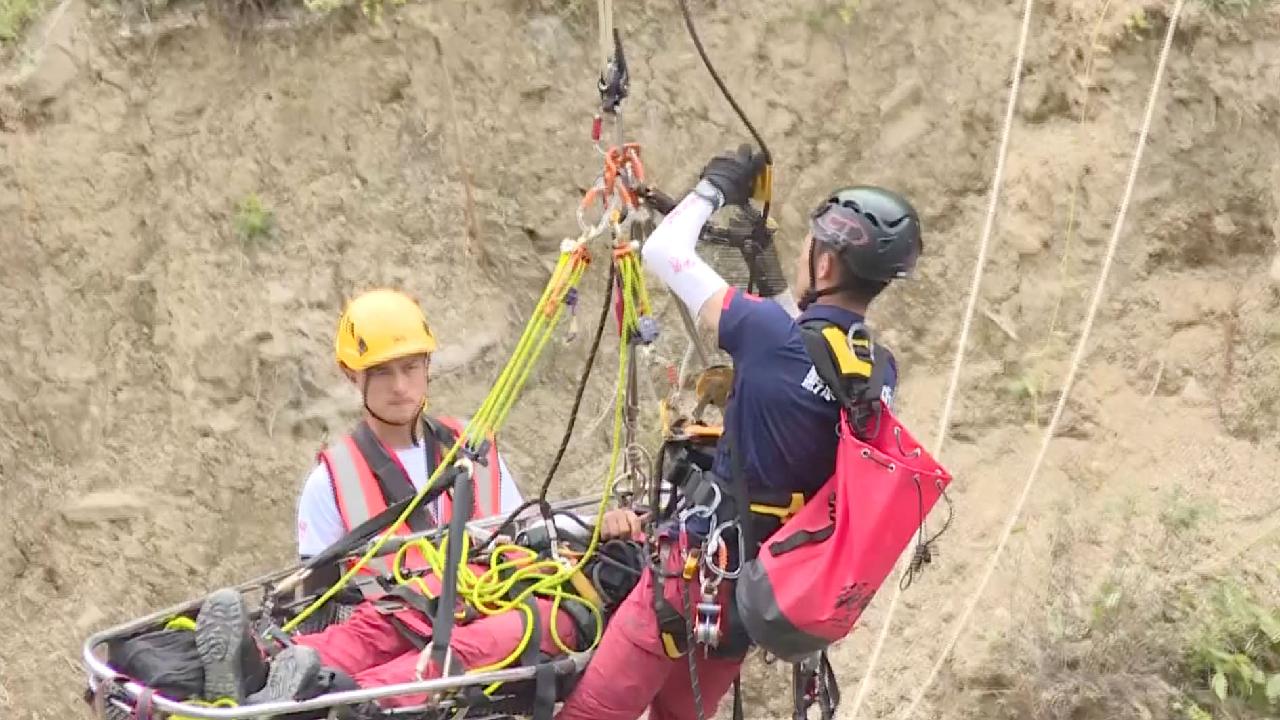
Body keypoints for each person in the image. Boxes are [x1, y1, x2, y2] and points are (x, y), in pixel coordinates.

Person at [554, 146, 923, 720]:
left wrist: (713, 190)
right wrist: (769, 267)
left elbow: (663, 250)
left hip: (693, 570)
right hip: (753, 592)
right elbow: (804, 352)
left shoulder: (768, 332)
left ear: (825, 265)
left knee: (592, 713)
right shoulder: (877, 370)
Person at [190, 288, 645, 715]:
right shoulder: (332, 478)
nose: (400, 386)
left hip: (485, 602)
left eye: (410, 368)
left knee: (464, 644)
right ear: (353, 376)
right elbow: (318, 602)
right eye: (383, 372)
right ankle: (265, 669)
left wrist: (595, 526)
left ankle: (340, 699)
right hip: (392, 610)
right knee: (375, 631)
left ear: (428, 365)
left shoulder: (474, 447)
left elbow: (524, 532)